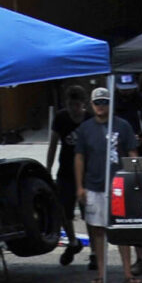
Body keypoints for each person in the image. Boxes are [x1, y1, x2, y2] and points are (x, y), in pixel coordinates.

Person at [68, 87, 134, 283]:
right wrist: (79, 186)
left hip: (118, 184)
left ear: (110, 104)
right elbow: (79, 157)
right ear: (92, 104)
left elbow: (132, 153)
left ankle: (127, 272)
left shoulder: (122, 126)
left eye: (105, 102)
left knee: (121, 229)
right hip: (94, 184)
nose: (101, 106)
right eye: (98, 102)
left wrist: (133, 180)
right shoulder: (85, 129)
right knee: (97, 230)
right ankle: (101, 272)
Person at [47, 85, 83, 265]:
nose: (73, 109)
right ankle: (73, 241)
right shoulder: (61, 118)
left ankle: (94, 255)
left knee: (89, 213)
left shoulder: (89, 119)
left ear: (82, 104)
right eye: (70, 105)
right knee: (64, 210)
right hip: (66, 170)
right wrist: (48, 168)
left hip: (86, 171)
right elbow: (53, 143)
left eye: (76, 105)